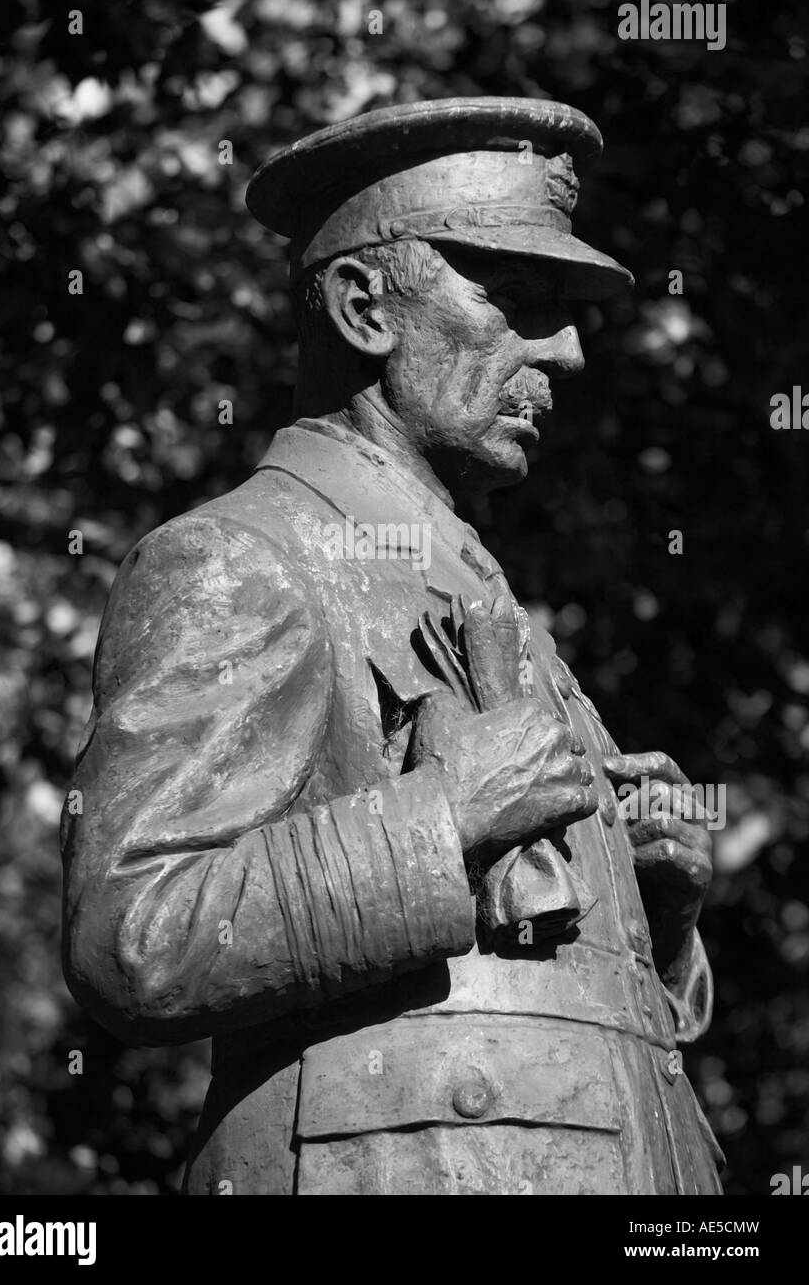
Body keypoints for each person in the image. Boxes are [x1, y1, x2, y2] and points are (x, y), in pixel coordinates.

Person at [61, 97, 723, 1194]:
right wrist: (447, 820)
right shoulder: (237, 556)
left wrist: (662, 916)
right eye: (519, 297)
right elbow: (132, 939)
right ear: (365, 305)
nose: (565, 350)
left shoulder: (489, 600)